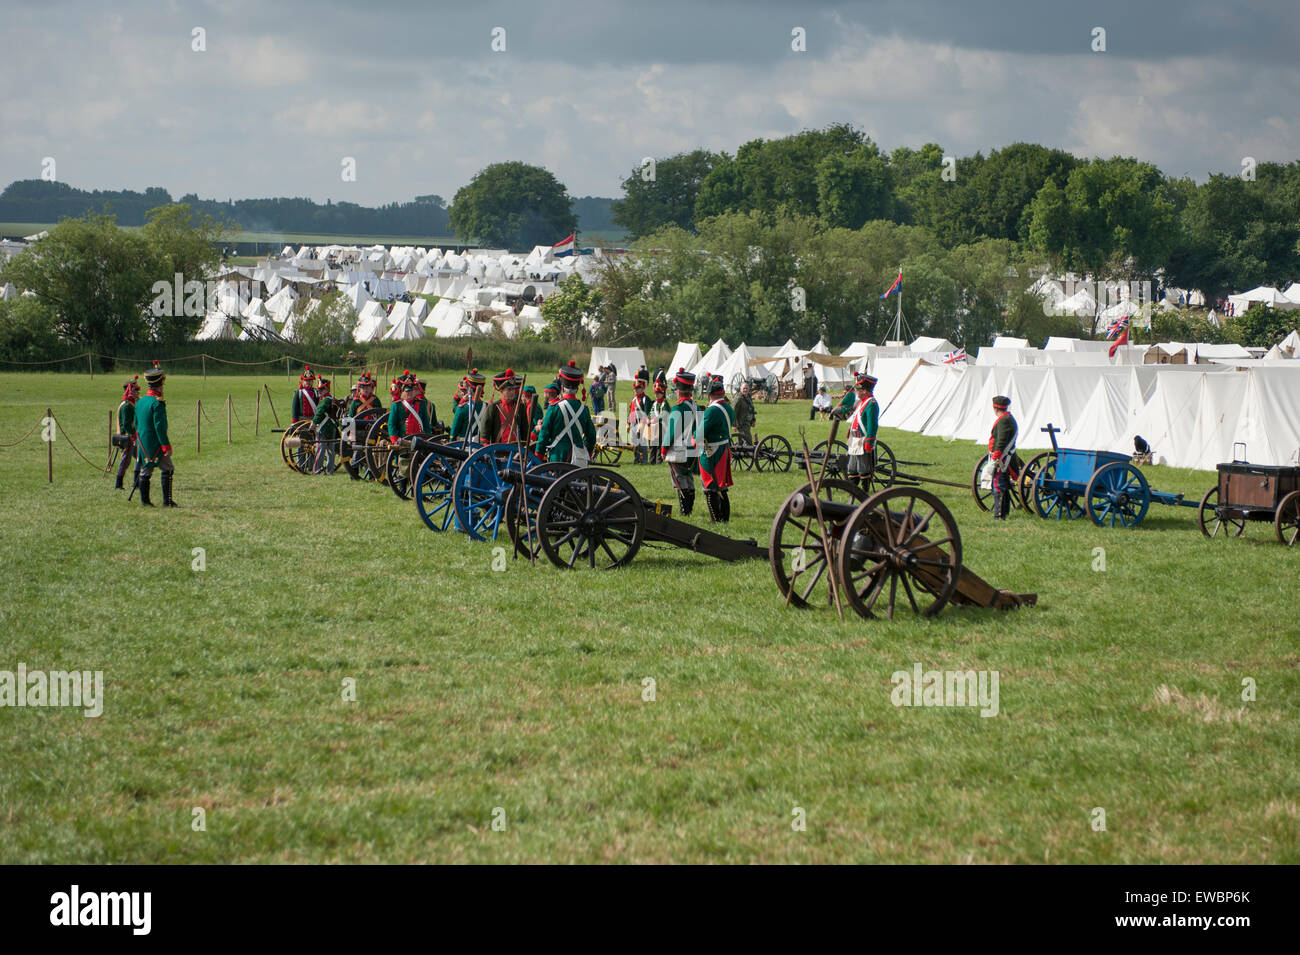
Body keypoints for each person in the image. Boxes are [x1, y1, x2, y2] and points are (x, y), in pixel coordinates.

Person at [536, 361, 596, 464]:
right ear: (577, 389)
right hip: (579, 459)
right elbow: (591, 436)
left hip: (558, 457)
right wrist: (587, 451)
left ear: (562, 388)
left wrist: (538, 456)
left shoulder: (554, 408)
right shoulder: (584, 410)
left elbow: (544, 434)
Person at [135, 362, 176, 507]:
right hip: (155, 443)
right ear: (160, 384)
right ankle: (166, 501)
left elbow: (136, 423)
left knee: (146, 469)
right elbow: (160, 427)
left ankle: (146, 501)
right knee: (167, 469)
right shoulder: (157, 404)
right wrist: (166, 446)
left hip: (143, 442)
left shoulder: (141, 401)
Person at [662, 368, 701, 516]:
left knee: (680, 480)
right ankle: (688, 510)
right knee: (689, 478)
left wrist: (664, 449)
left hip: (679, 450)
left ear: (679, 391)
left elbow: (671, 433)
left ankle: (685, 512)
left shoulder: (678, 408)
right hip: (692, 450)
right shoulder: (695, 406)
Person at [698, 375, 736, 522]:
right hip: (724, 449)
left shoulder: (711, 410)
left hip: (711, 452)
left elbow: (699, 435)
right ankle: (724, 519)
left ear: (711, 394)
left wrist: (694, 437)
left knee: (710, 487)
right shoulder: (728, 407)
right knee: (722, 487)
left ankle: (716, 520)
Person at [843, 373, 879, 492]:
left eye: (859, 389)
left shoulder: (871, 404)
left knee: (863, 469)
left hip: (863, 441)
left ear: (865, 390)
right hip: (855, 441)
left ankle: (864, 492)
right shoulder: (861, 403)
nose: (857, 392)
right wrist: (850, 430)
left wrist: (869, 442)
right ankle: (853, 491)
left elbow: (872, 425)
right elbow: (855, 418)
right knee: (852, 468)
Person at [989, 395, 1019, 520]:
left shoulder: (1004, 420)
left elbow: (1001, 440)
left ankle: (999, 515)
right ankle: (1004, 512)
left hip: (1002, 459)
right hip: (1003, 457)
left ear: (995, 408)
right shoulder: (1006, 418)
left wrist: (996, 456)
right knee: (1003, 485)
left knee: (998, 486)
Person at [483, 369, 529, 444]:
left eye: (513, 389)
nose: (512, 392)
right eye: (509, 389)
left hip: (516, 451)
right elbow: (485, 434)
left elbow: (525, 431)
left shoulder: (520, 407)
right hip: (497, 450)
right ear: (501, 391)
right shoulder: (493, 407)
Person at [113, 375, 140, 491]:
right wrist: (133, 435)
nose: (137, 392)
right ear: (130, 391)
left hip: (131, 436)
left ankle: (137, 482)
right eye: (135, 390)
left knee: (140, 457)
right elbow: (127, 424)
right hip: (127, 437)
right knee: (125, 461)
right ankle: (118, 484)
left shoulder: (130, 403)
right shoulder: (127, 406)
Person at [311, 378, 340, 474]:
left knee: (320, 448)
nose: (319, 391)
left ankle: (317, 469)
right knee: (331, 451)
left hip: (323, 428)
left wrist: (313, 423)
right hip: (332, 428)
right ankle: (330, 470)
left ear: (327, 389)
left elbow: (319, 413)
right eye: (319, 389)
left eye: (322, 389)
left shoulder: (324, 401)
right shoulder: (332, 399)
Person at [451, 369, 487, 443]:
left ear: (469, 388)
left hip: (465, 446)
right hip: (482, 447)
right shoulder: (487, 406)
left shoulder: (462, 408)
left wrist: (451, 440)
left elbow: (454, 433)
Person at [628, 370, 653, 464]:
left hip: (642, 423)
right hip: (634, 423)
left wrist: (642, 424)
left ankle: (644, 459)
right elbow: (630, 412)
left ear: (642, 389)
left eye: (637, 389)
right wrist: (628, 422)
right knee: (634, 442)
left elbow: (646, 413)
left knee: (642, 443)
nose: (635, 390)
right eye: (635, 389)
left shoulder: (645, 399)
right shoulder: (634, 399)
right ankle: (637, 458)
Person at [650, 380, 671, 464]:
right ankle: (651, 461)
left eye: (658, 393)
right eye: (656, 393)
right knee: (652, 445)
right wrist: (647, 419)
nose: (656, 395)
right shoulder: (655, 404)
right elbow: (651, 413)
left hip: (662, 427)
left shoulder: (664, 404)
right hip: (654, 427)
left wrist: (654, 419)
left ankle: (659, 461)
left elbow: (665, 414)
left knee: (659, 445)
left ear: (663, 394)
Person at [732, 381, 756, 446]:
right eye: (744, 388)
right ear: (740, 389)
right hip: (741, 423)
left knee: (742, 440)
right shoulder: (738, 399)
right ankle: (750, 454)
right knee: (748, 441)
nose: (745, 390)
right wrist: (734, 425)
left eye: (747, 388)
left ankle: (733, 448)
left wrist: (753, 420)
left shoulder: (748, 397)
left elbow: (751, 409)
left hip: (748, 423)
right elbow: (733, 412)